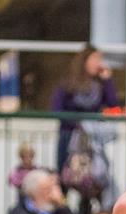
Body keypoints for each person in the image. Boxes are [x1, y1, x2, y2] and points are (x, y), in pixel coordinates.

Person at [51, 45, 121, 186]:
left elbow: (113, 104)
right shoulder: (68, 84)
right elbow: (56, 109)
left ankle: (86, 207)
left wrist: (107, 80)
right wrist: (78, 123)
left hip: (91, 140)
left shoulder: (99, 85)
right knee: (66, 176)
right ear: (84, 61)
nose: (98, 63)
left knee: (91, 179)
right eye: (95, 58)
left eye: (100, 59)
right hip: (69, 136)